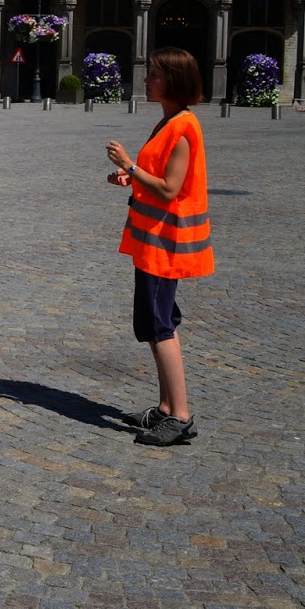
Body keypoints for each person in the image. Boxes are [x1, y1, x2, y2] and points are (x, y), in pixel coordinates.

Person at [105, 47, 214, 447]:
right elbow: (159, 177)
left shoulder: (183, 127)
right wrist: (130, 178)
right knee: (155, 322)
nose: (147, 80)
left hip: (166, 244)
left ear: (174, 81)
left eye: (154, 75)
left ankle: (180, 415)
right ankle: (166, 407)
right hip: (152, 240)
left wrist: (129, 166)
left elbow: (169, 189)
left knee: (160, 325)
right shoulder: (167, 121)